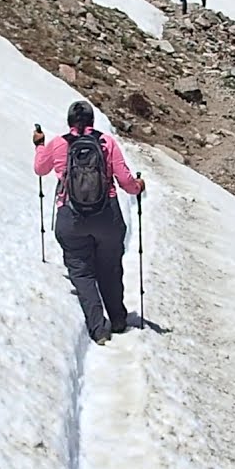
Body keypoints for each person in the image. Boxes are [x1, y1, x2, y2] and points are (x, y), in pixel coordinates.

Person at [33, 101, 145, 344]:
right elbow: (126, 181)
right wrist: (138, 187)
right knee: (110, 267)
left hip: (71, 217)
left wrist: (39, 145)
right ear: (92, 121)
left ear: (69, 122)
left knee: (81, 273)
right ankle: (117, 318)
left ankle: (98, 329)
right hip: (107, 216)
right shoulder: (106, 143)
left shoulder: (59, 143)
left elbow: (40, 169)